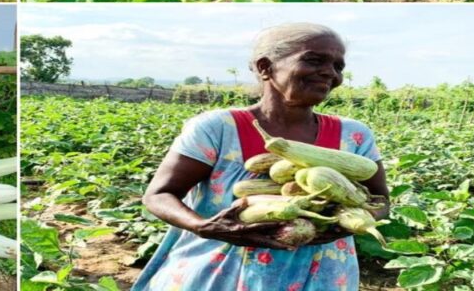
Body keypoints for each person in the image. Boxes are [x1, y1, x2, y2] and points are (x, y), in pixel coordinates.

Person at [131, 23, 389, 291]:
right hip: (220, 274)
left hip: (322, 275)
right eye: (314, 60)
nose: (330, 73)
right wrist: (205, 227)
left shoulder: (354, 135)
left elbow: (380, 199)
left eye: (338, 66)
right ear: (266, 67)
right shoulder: (217, 128)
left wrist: (349, 224)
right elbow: (159, 194)